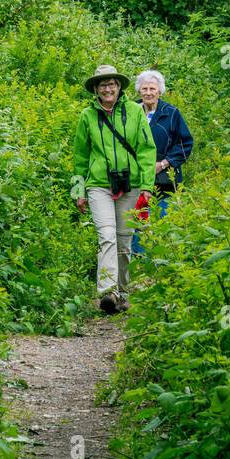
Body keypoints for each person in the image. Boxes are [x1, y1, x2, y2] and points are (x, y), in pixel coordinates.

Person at [73, 64, 156, 314]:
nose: (108, 89)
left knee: (123, 241)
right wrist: (78, 191)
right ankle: (107, 292)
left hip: (130, 185)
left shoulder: (134, 111)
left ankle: (122, 292)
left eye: (112, 84)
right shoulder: (87, 116)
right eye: (102, 85)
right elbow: (80, 156)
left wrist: (147, 186)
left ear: (119, 87)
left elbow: (146, 149)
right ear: (96, 90)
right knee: (106, 235)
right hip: (98, 184)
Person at [131, 70, 194, 255]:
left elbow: (186, 143)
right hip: (137, 178)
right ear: (139, 91)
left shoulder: (172, 113)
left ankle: (160, 268)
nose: (148, 92)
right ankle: (140, 270)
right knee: (138, 225)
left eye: (152, 88)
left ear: (160, 91)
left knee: (161, 224)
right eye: (144, 88)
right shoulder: (131, 110)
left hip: (164, 181)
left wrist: (164, 163)